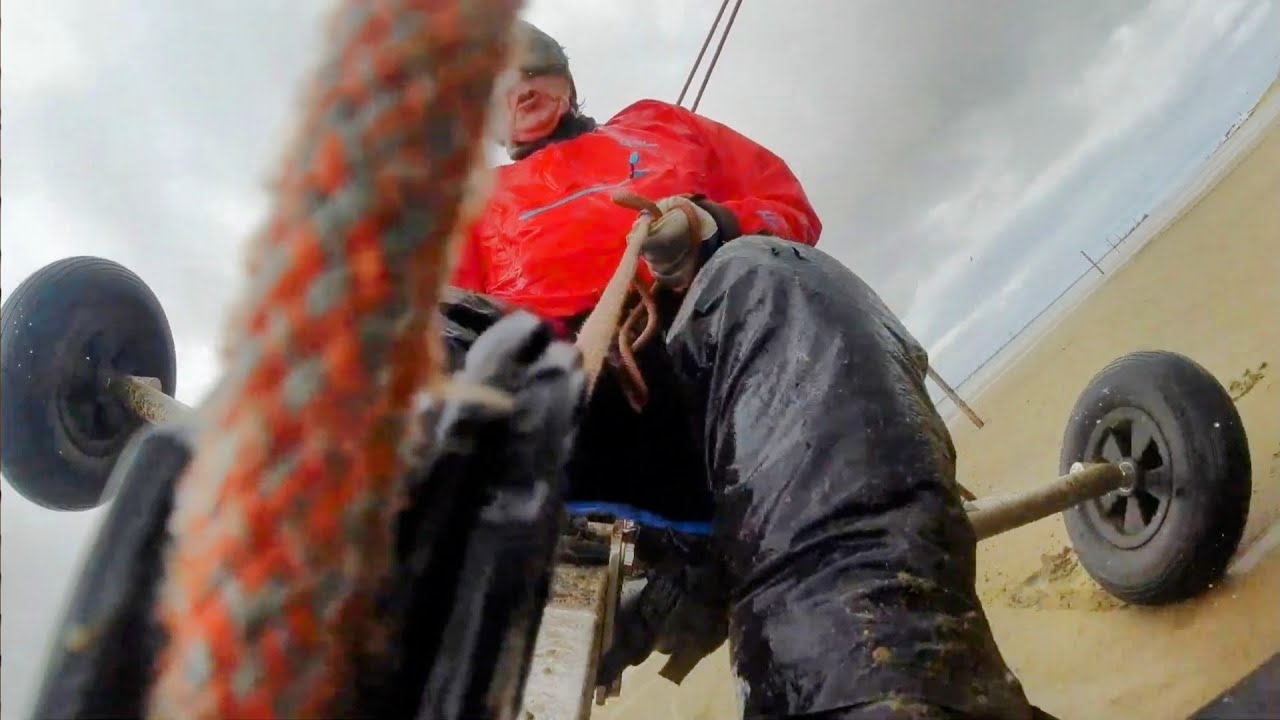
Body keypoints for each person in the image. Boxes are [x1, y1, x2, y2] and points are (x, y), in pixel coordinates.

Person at [444, 19, 1054, 720]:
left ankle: (879, 694)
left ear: (566, 76)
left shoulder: (657, 127)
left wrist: (711, 228)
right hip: (571, 433)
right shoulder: (474, 207)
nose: (519, 85)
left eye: (534, 65)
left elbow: (789, 213)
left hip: (727, 384)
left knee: (769, 272)